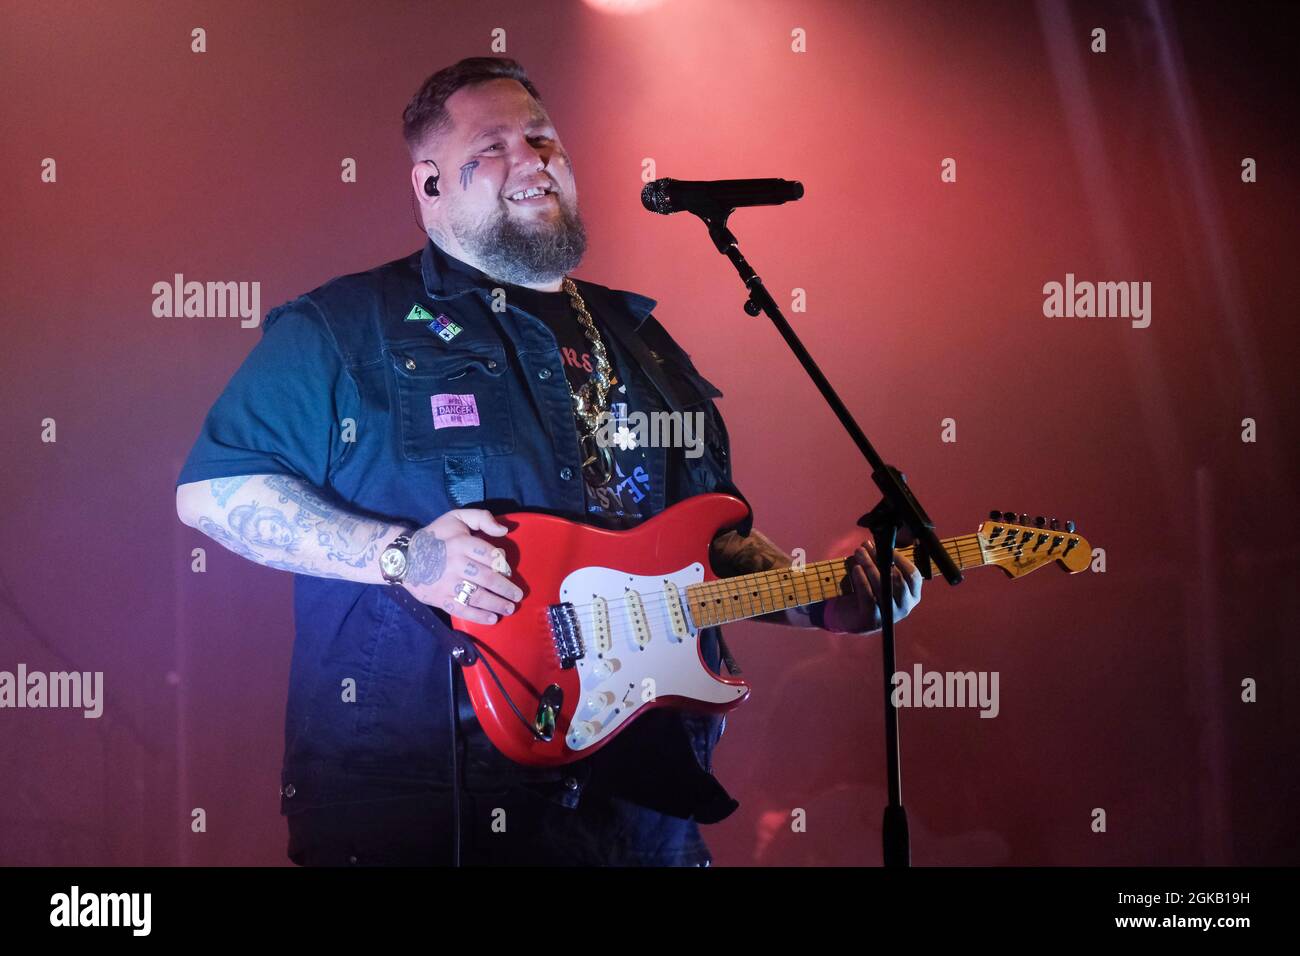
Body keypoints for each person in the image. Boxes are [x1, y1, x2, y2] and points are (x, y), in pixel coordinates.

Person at [174, 56, 923, 867]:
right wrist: (403, 556)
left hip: (641, 807)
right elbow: (216, 491)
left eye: (542, 138)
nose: (532, 158)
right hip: (427, 802)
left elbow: (709, 545)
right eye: (492, 145)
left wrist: (818, 600)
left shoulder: (644, 344)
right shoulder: (348, 325)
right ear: (429, 185)